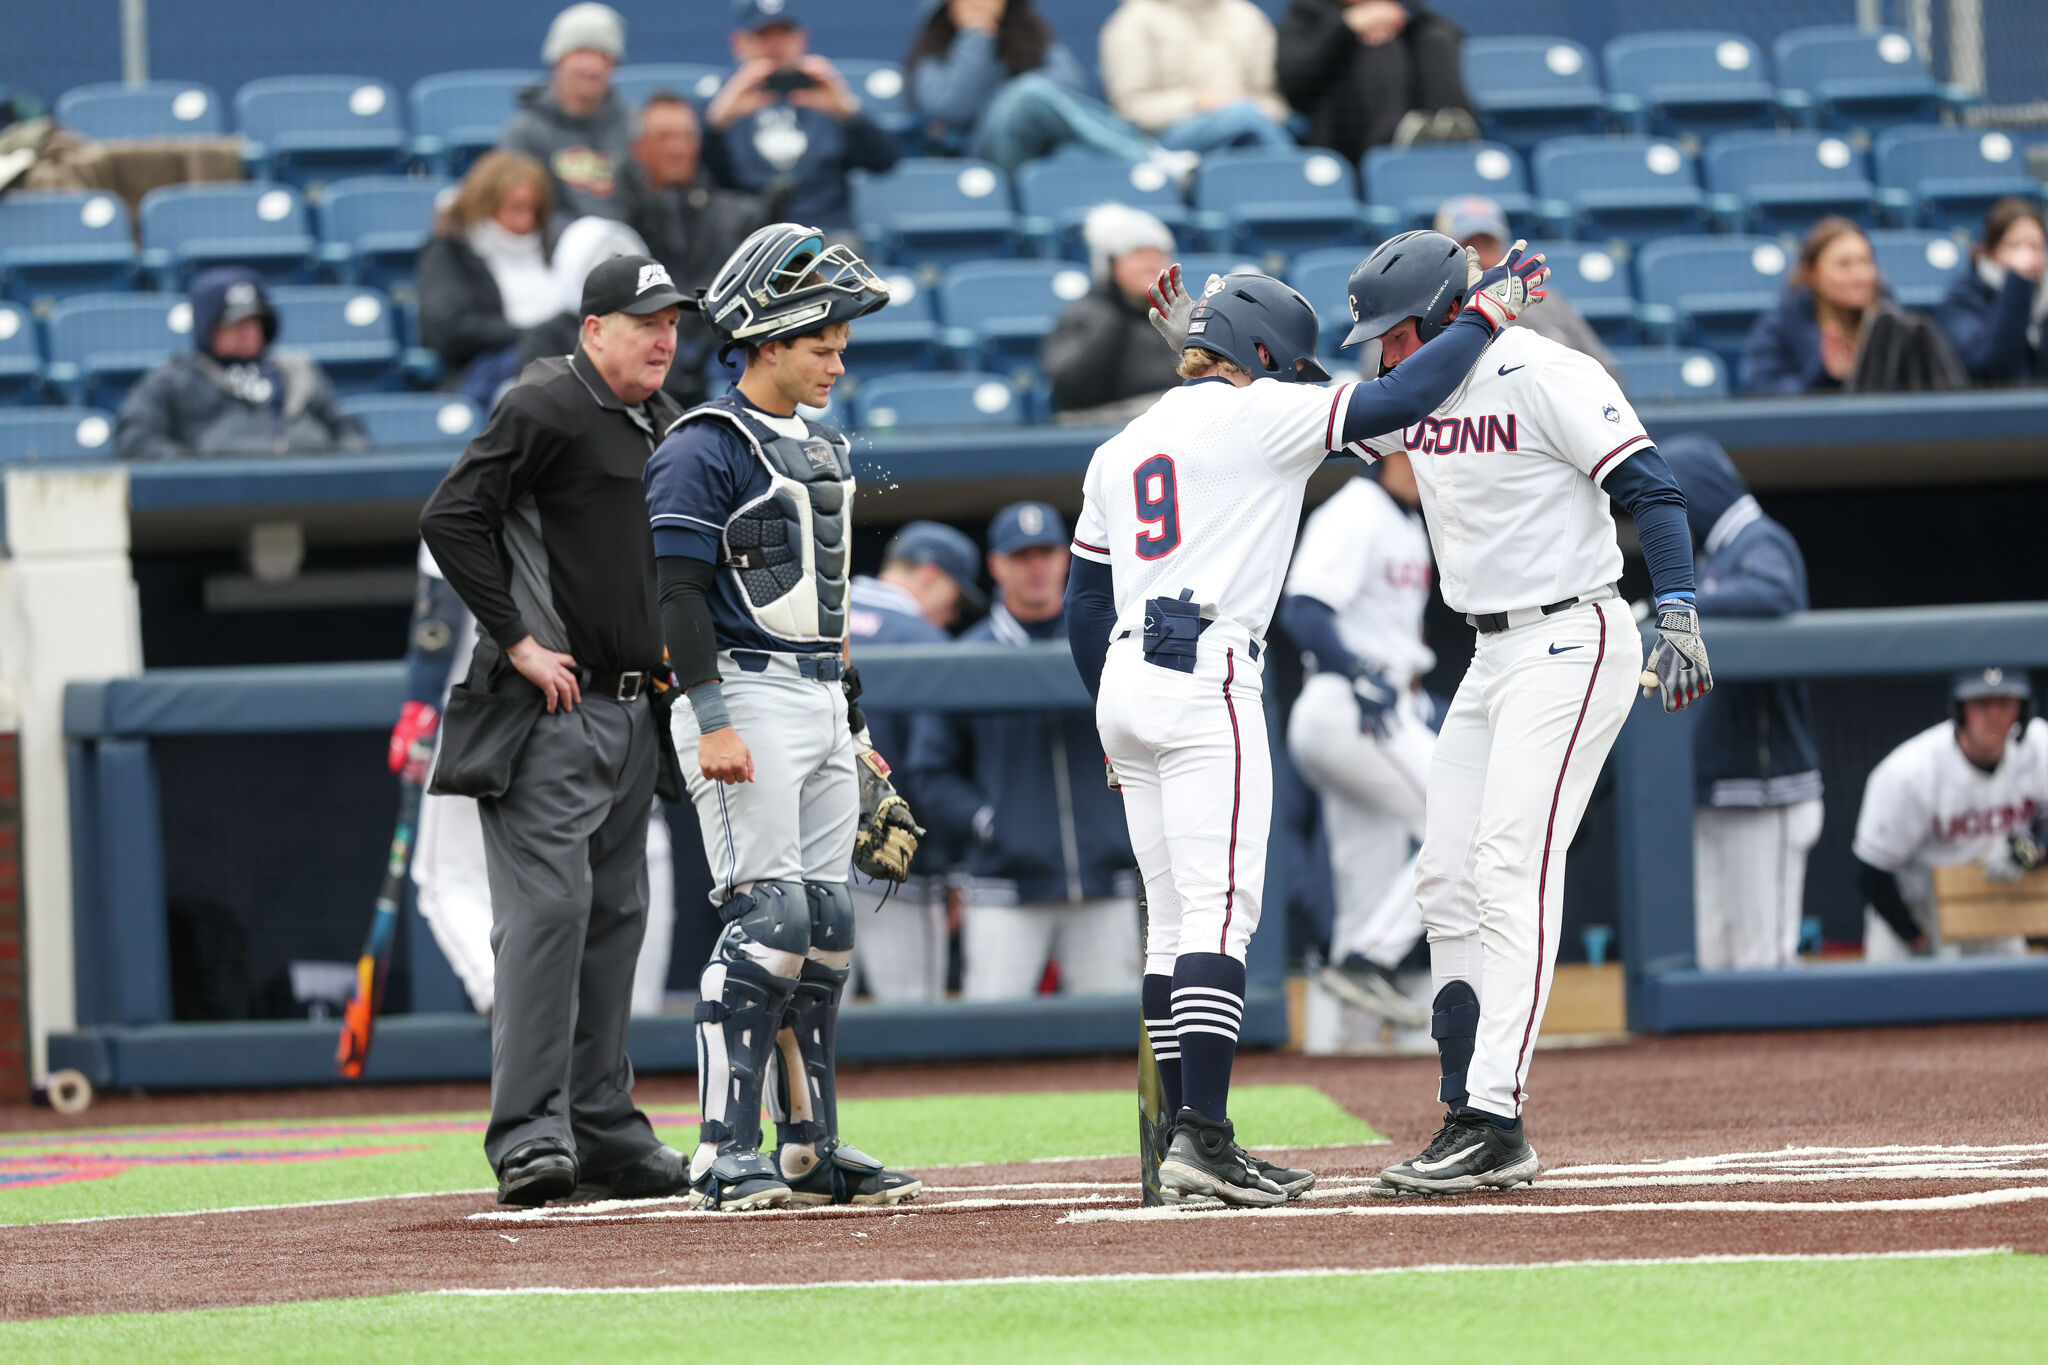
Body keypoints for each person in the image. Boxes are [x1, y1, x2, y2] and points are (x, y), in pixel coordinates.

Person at [1062, 243, 1551, 1205]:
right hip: (1206, 670)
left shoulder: (1119, 445)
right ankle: (1203, 1137)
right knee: (1219, 915)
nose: (1301, 380)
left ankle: (1179, 1134)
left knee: (1173, 923)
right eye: (1290, 364)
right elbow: (1402, 398)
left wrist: (1103, 715)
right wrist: (1485, 315)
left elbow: (1083, 604)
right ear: (1261, 355)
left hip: (1123, 676)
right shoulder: (1263, 413)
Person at [1332, 229, 1709, 1198]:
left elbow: (1650, 487)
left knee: (1509, 866)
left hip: (1571, 634)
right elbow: (1322, 423)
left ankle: (1495, 1117)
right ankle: (1464, 1104)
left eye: (1396, 331)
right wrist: (1216, 372)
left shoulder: (1543, 369)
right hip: (1490, 649)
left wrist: (1676, 607)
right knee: (1443, 876)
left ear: (1442, 312)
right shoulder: (1415, 386)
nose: (1385, 351)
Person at [644, 222, 924, 1212]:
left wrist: (854, 724)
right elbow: (677, 594)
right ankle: (721, 1149)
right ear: (765, 342)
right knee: (767, 918)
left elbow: (828, 608)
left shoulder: (822, 446)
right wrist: (708, 713)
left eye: (840, 344)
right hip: (743, 690)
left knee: (827, 924)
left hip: (813, 694)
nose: (837, 361)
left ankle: (810, 1146)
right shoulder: (702, 446)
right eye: (821, 344)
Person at [417, 254, 690, 1208]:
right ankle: (531, 1131)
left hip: (633, 708)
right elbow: (450, 516)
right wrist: (519, 640)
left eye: (673, 322)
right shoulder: (547, 401)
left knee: (615, 915)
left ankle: (603, 1127)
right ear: (594, 329)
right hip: (550, 711)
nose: (664, 337)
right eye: (646, 321)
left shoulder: (660, 420)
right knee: (548, 914)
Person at [388, 541, 677, 1017]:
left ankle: (521, 1010)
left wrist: (418, 707)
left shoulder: (476, 495)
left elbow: (438, 615)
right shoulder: (634, 496)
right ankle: (628, 1022)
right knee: (633, 859)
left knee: (448, 880)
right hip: (617, 713)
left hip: (495, 720)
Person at [909, 503, 1141, 1001]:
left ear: (1065, 559)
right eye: (1021, 556)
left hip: (1105, 881)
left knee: (1109, 1036)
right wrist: (990, 823)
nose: (1036, 567)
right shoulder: (967, 657)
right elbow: (931, 770)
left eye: (1046, 553)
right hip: (1004, 889)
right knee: (994, 1038)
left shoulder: (1110, 644)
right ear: (997, 565)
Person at [1279, 453, 1437, 1029]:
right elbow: (1303, 608)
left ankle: (1346, 1050)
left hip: (1372, 705)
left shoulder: (1409, 520)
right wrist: (1356, 670)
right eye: (1416, 448)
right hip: (1350, 705)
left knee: (1366, 892)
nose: (1428, 460)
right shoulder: (1355, 509)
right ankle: (1370, 958)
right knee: (1469, 819)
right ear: (1386, 451)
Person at [1660, 434, 1824, 971]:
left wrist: (1679, 605)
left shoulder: (1760, 539)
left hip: (1765, 793)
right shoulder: (1714, 555)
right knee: (1713, 962)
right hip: (1721, 790)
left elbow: (1775, 593)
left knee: (1762, 966)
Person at [845, 521, 985, 1003]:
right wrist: (951, 870)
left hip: (805, 863)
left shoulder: (816, 617)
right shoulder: (925, 638)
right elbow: (930, 772)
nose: (953, 614)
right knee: (911, 1022)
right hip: (894, 870)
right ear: (930, 576)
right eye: (955, 597)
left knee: (806, 1022)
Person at [1854, 668, 2045, 962]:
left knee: (2018, 989)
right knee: (1897, 992)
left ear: (2021, 710)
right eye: (1982, 704)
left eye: (2004, 704)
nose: (1994, 716)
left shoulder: (2040, 748)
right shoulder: (1909, 773)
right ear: (1960, 710)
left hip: (1992, 906)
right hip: (1913, 914)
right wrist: (1915, 937)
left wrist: (2034, 848)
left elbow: (2040, 840)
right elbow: (1872, 872)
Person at [906, 0, 1192, 179]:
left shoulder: (1028, 35)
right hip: (983, 157)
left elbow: (1068, 86)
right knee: (1025, 93)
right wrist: (975, 36)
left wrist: (1021, 101)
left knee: (1074, 155)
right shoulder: (934, 51)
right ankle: (1148, 156)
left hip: (1043, 150)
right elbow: (949, 107)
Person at [620, 92, 778, 406]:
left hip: (715, 361)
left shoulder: (734, 216)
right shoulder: (617, 221)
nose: (677, 149)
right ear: (638, 148)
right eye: (664, 138)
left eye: (687, 137)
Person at [115, 268, 367, 460]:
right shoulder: (174, 378)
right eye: (234, 322)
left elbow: (349, 430)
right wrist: (195, 474)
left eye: (254, 320)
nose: (247, 331)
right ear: (208, 327)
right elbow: (136, 440)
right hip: (217, 504)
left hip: (313, 494)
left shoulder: (297, 371)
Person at [704, 1, 899, 234]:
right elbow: (699, 181)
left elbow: (884, 162)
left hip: (826, 230)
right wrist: (716, 124)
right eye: (763, 35)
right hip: (750, 233)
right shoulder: (722, 103)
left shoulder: (827, 96)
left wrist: (849, 113)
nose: (775, 45)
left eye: (784, 34)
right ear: (739, 43)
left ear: (802, 39)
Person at [416, 150, 561, 406]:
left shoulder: (554, 248)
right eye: (516, 208)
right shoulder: (450, 253)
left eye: (534, 210)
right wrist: (531, 334)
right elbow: (447, 330)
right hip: (478, 377)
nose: (527, 221)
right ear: (484, 204)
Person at [1437, 194, 1622, 385]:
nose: (1482, 257)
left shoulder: (1545, 301)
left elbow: (1607, 372)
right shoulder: (1438, 310)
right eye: (1470, 247)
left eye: (1488, 245)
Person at [1277, 0, 1477, 163]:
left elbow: (1448, 31)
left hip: (1424, 119)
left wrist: (1399, 17)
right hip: (1346, 138)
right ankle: (1392, 142)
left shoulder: (1408, 11)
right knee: (1380, 50)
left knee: (1436, 39)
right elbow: (1293, 82)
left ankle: (1455, 131)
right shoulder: (1307, 11)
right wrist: (1346, 26)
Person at [1042, 204, 1186, 421]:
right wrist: (1112, 318)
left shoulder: (1178, 315)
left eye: (1157, 255)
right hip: (1104, 427)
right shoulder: (1083, 316)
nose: (1150, 265)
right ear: (1110, 265)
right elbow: (1071, 389)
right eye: (1138, 255)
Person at [1099, 0, 1295, 154]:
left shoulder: (1246, 16)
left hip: (1250, 125)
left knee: (1248, 123)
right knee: (1241, 117)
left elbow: (1274, 100)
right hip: (1162, 139)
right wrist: (1195, 103)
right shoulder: (1134, 21)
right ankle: (1296, 178)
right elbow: (1131, 107)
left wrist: (1248, 104)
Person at [500, 3, 636, 223]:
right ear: (558, 59)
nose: (592, 66)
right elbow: (521, 212)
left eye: (603, 55)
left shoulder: (634, 129)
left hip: (626, 241)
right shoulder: (525, 133)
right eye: (581, 52)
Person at [1936, 197, 2047, 385]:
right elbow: (1990, 370)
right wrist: (2018, 284)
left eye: (2036, 246)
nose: (2028, 257)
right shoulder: (1964, 296)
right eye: (2015, 246)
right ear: (1992, 250)